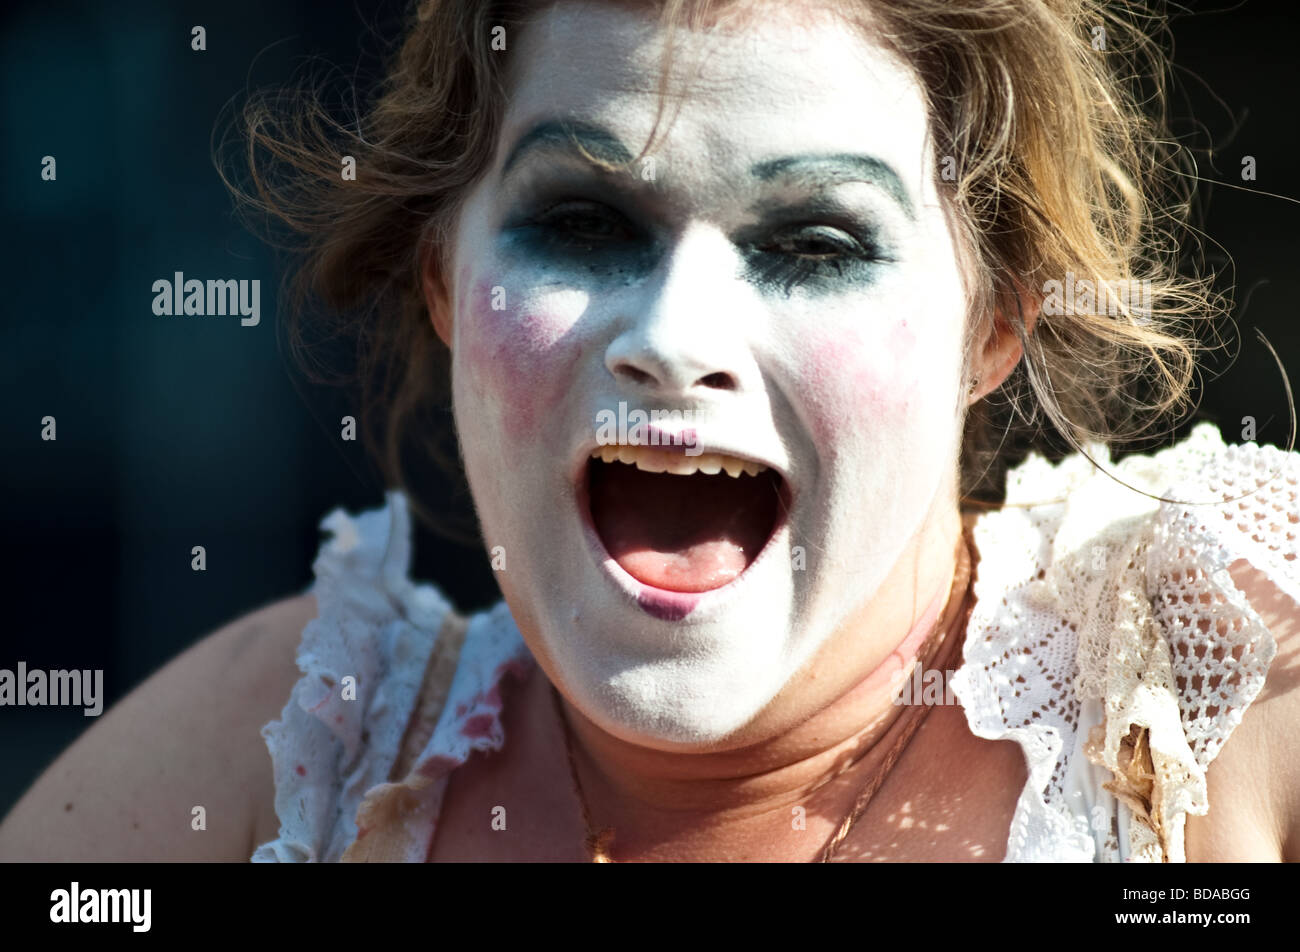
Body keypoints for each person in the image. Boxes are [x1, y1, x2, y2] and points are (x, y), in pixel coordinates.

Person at [2, 0, 1297, 863]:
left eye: (813, 242)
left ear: (995, 326)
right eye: (582, 221)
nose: (673, 335)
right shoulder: (299, 744)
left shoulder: (1216, 675)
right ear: (445, 274)